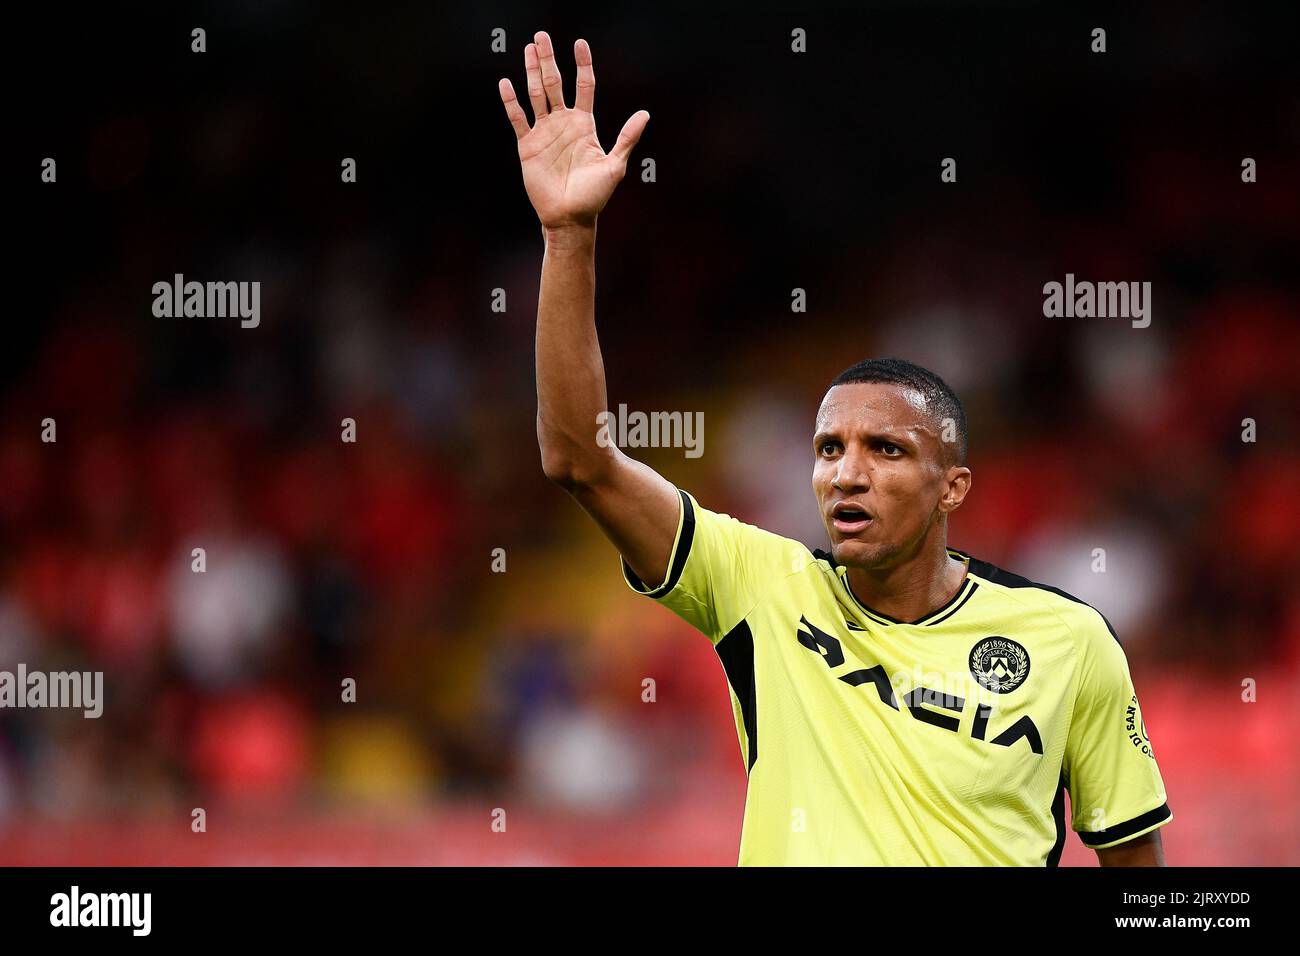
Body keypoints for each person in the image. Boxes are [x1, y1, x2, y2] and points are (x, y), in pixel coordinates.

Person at [498, 31, 1172, 866]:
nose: (846, 472)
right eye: (828, 449)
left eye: (886, 450)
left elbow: (1141, 879)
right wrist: (569, 237)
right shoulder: (759, 587)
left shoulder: (1067, 641)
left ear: (952, 487)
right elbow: (580, 459)